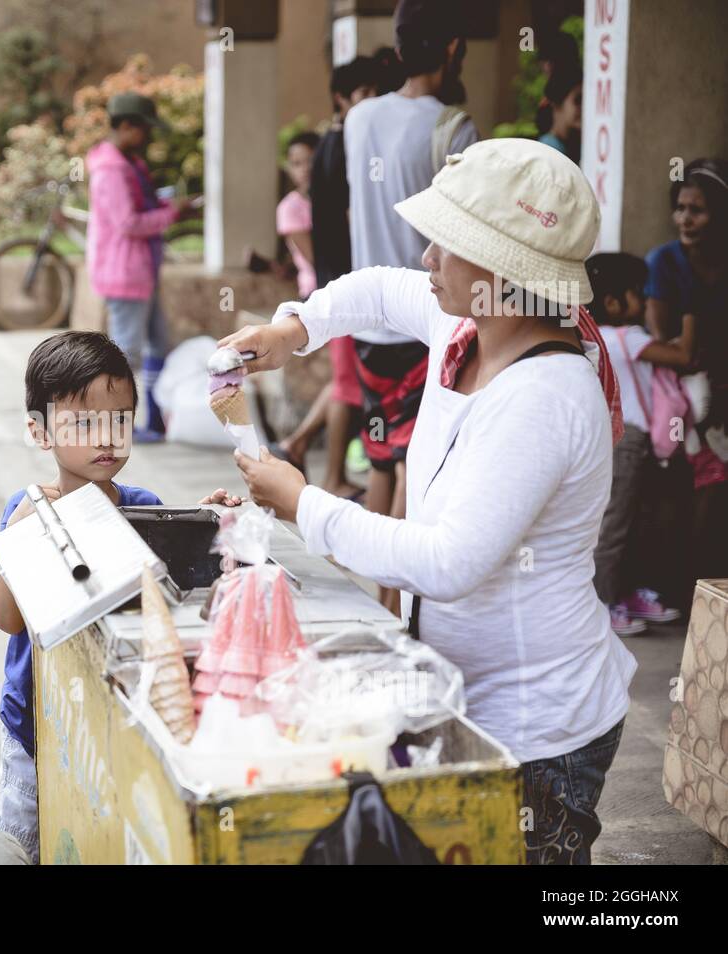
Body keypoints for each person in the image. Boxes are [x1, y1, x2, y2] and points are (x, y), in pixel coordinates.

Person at [224, 138, 636, 864]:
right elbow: (379, 290)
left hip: (539, 729)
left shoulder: (543, 395)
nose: (427, 259)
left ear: (504, 271)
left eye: (448, 244)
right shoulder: (473, 322)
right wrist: (294, 329)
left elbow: (449, 562)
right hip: (467, 699)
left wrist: (305, 503)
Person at [0, 331, 238, 863]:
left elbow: (171, 594)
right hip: (35, 726)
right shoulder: (25, 507)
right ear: (39, 431)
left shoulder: (143, 506)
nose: (107, 437)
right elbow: (8, 620)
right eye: (85, 422)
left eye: (120, 420)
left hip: (114, 721)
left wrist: (214, 529)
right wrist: (25, 538)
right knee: (26, 839)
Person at [340, 0, 478, 610]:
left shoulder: (359, 118)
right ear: (451, 49)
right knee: (413, 464)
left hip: (369, 317)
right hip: (428, 317)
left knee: (380, 457)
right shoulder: (454, 128)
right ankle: (392, 603)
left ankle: (379, 600)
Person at [280, 56, 378, 498]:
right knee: (346, 387)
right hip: (338, 291)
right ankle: (334, 477)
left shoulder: (336, 147)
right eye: (367, 93)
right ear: (343, 98)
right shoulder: (339, 151)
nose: (375, 102)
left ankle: (297, 443)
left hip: (338, 290)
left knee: (346, 384)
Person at [588, 252, 694, 634]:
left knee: (631, 522)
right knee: (619, 524)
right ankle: (603, 603)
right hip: (628, 442)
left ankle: (625, 593)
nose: (647, 299)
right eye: (639, 292)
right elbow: (682, 355)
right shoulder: (626, 337)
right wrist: (689, 313)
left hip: (625, 440)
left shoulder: (601, 337)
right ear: (614, 302)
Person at [86, 92, 195, 443]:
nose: (148, 137)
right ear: (127, 127)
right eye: (144, 129)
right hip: (124, 274)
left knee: (157, 345)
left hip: (140, 273)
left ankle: (152, 418)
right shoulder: (111, 170)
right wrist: (172, 213)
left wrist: (167, 205)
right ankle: (115, 427)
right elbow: (128, 222)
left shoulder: (129, 164)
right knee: (125, 354)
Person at [645, 160, 728, 584]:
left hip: (719, 388)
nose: (685, 218)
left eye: (698, 209)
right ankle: (680, 584)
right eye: (680, 208)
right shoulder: (664, 262)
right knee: (690, 481)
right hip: (677, 392)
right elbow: (665, 344)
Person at [276, 131, 320, 301]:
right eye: (296, 163)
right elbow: (314, 259)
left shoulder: (338, 200)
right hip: (315, 292)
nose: (305, 168)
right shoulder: (290, 207)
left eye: (311, 160)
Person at [537, 61, 582, 164]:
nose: (583, 108)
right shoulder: (549, 150)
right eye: (578, 100)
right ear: (557, 104)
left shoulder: (570, 146)